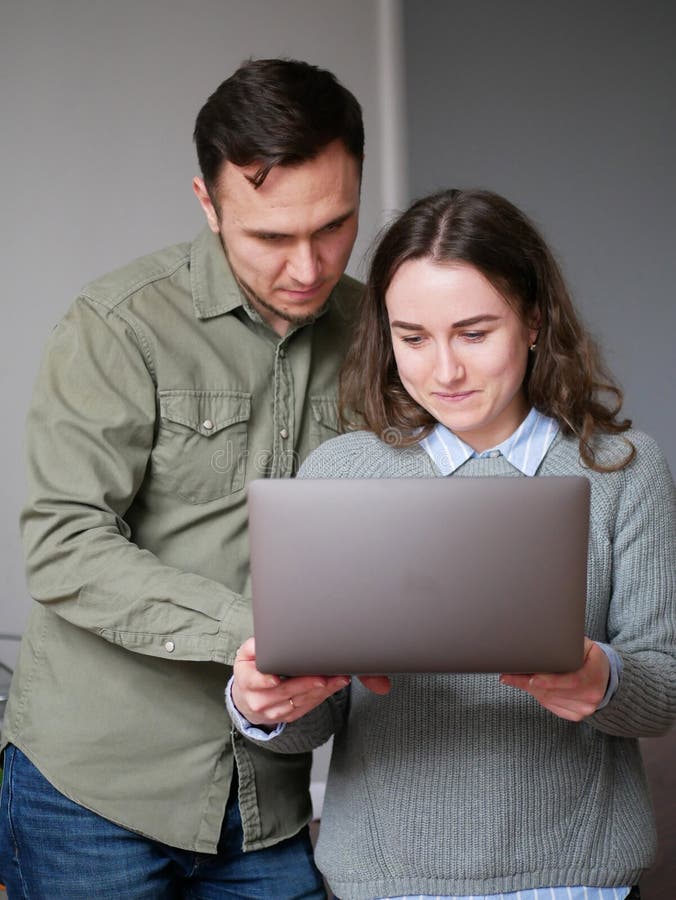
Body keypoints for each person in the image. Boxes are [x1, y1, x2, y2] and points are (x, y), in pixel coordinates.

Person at [228, 188, 675, 900]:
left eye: (473, 333)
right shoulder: (341, 472)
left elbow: (664, 690)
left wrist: (603, 681)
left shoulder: (622, 470)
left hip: (574, 880)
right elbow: (307, 725)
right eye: (412, 337)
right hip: (383, 882)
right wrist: (262, 705)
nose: (444, 372)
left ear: (533, 321)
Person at [0, 58, 365, 899]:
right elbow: (64, 545)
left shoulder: (381, 332)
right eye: (270, 236)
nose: (308, 266)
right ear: (207, 204)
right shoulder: (118, 325)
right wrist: (263, 626)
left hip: (271, 795)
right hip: (92, 789)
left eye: (335, 226)